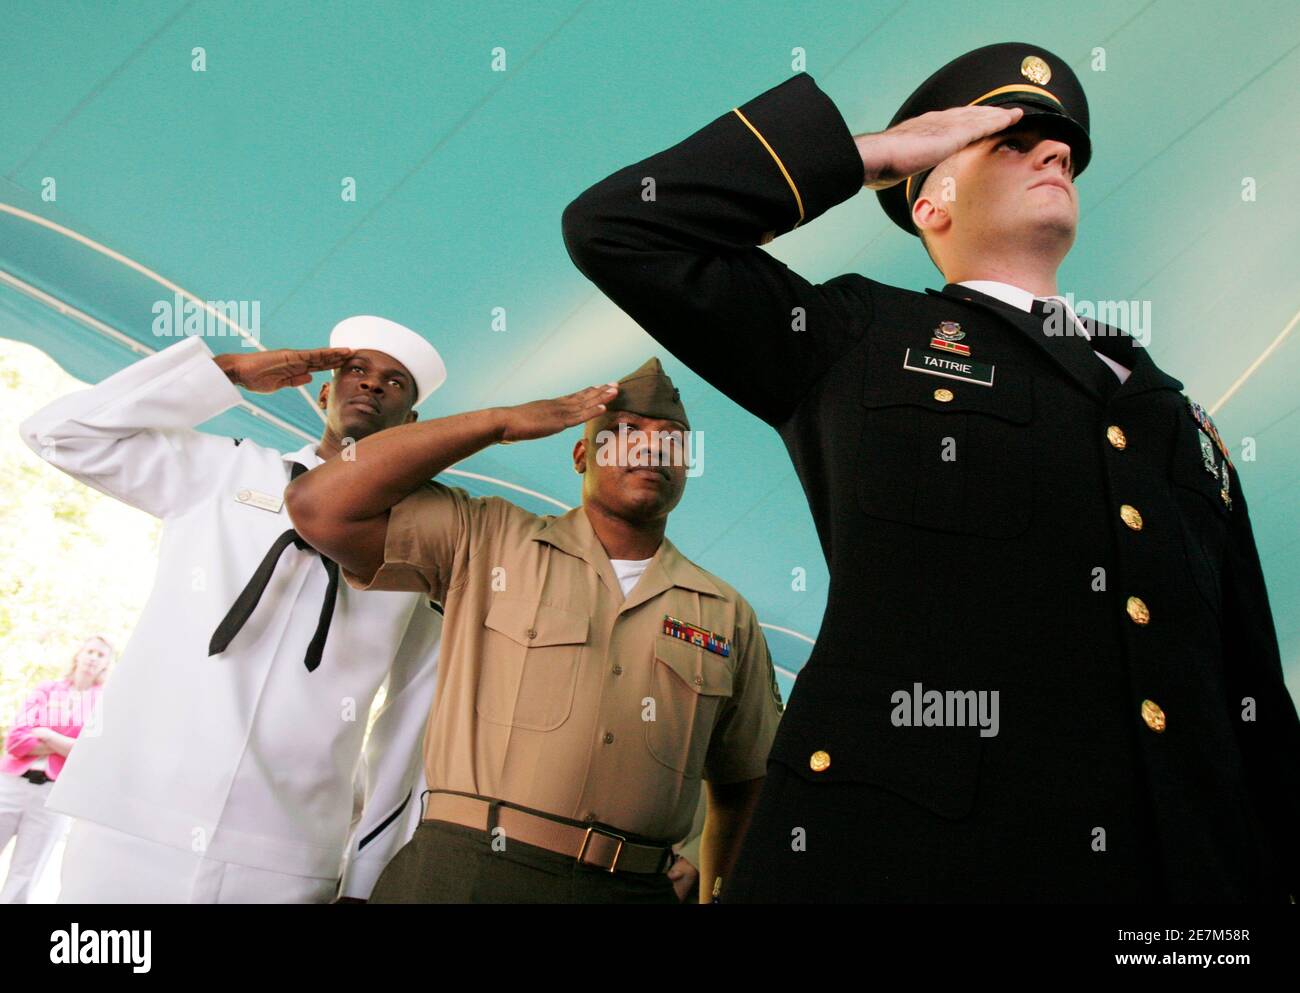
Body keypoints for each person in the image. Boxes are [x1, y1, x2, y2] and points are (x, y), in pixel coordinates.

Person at [561, 42, 1300, 901]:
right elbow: (620, 228)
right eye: (1010, 140)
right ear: (930, 201)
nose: (1057, 153)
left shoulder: (1178, 419)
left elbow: (1254, 702)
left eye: (1061, 148)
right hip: (902, 866)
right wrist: (876, 150)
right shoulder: (856, 337)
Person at [286, 357, 782, 903]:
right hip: (464, 874)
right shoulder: (489, 536)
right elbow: (320, 506)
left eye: (672, 441)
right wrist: (498, 424)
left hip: (634, 889)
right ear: (580, 455)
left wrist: (711, 887)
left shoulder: (726, 613)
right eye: (625, 433)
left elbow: (746, 783)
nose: (652, 448)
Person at [18, 316, 447, 903]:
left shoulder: (425, 545)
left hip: (284, 853)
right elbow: (60, 433)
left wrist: (367, 877)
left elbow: (412, 721)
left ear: (413, 424)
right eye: (356, 370)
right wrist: (222, 374)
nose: (371, 385)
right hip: (130, 817)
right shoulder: (223, 470)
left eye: (395, 382)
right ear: (324, 392)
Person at [0, 635, 111, 902]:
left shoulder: (104, 702)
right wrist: (66, 744)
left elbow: (89, 753)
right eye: (90, 651)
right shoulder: (47, 689)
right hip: (11, 784)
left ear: (107, 664)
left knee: (27, 870)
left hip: (53, 795)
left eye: (101, 655)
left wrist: (46, 734)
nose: (93, 658)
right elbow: (15, 741)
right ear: (79, 654)